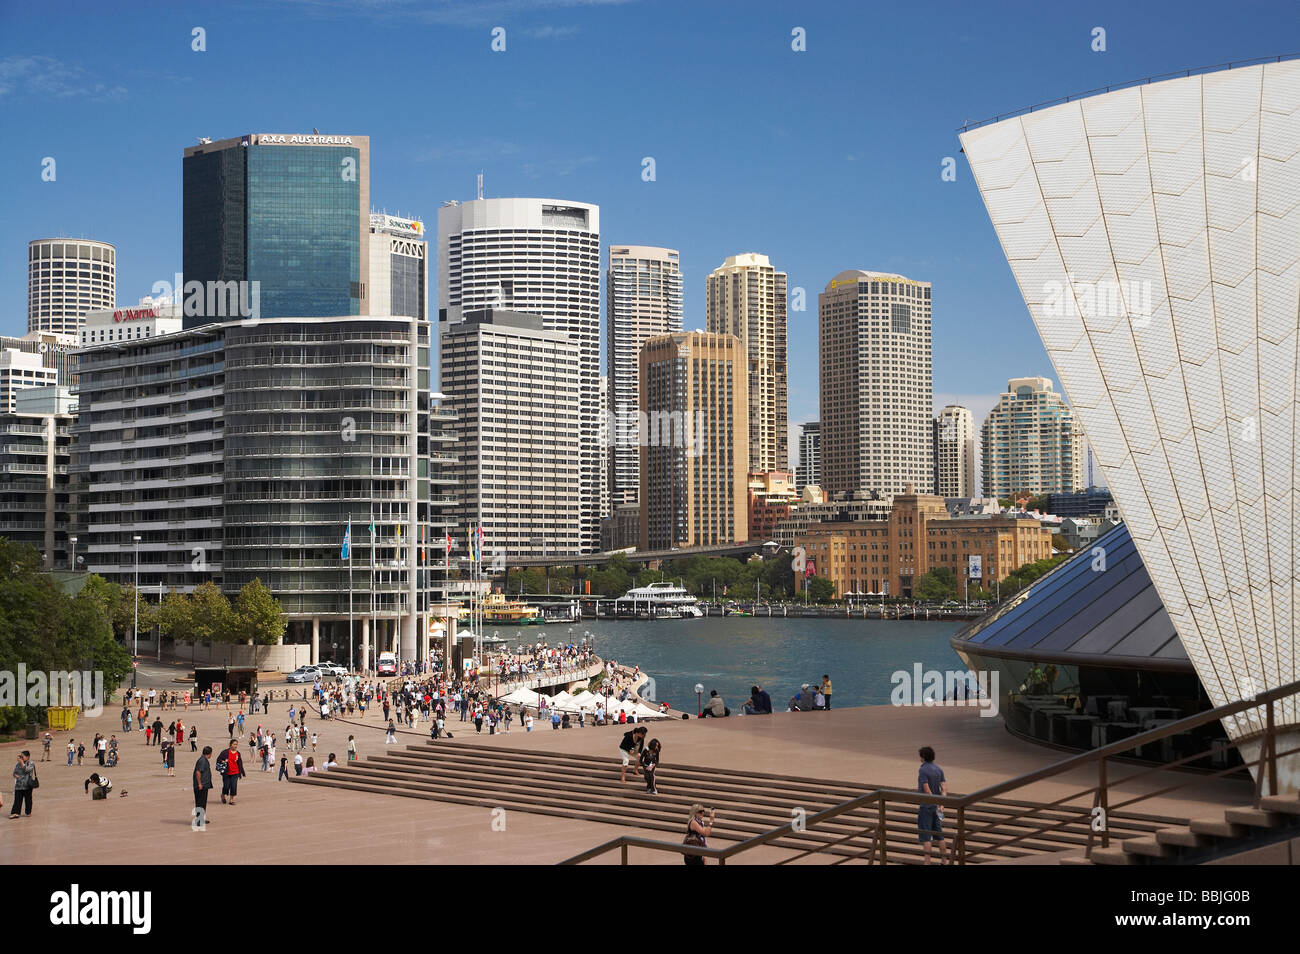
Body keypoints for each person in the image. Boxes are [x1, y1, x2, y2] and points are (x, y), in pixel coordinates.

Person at [917, 746, 949, 865]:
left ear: (923, 756)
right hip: (937, 808)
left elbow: (927, 790)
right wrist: (941, 804)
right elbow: (944, 788)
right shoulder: (938, 769)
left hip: (926, 806)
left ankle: (927, 862)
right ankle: (944, 861)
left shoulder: (923, 770)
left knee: (926, 836)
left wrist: (933, 802)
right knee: (939, 834)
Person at [217, 739, 245, 806]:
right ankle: (223, 795)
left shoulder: (238, 753)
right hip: (226, 773)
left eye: (236, 744)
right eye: (234, 744)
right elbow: (219, 759)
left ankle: (231, 799)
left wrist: (242, 772)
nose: (236, 746)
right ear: (230, 744)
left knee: (233, 786)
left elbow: (240, 763)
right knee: (226, 786)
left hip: (235, 773)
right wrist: (223, 761)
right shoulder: (225, 752)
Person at [10, 750, 35, 818]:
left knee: (28, 800)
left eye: (22, 756)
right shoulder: (17, 764)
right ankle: (15, 812)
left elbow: (27, 770)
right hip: (19, 785)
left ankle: (28, 812)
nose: (21, 758)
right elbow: (14, 772)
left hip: (27, 785)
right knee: (17, 799)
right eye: (20, 756)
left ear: (27, 757)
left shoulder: (31, 763)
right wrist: (15, 775)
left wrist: (21, 763)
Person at [193, 746, 213, 828]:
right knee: (200, 803)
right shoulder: (202, 761)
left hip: (204, 785)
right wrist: (199, 783)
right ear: (210, 753)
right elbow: (198, 772)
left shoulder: (203, 760)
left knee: (203, 803)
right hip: (201, 785)